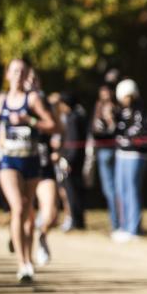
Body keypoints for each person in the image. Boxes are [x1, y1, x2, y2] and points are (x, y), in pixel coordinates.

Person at [0, 57, 57, 281]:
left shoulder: (32, 100)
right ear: (7, 75)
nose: (19, 75)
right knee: (18, 207)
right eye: (15, 71)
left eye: (22, 71)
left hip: (30, 160)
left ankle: (28, 260)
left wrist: (29, 120)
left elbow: (52, 125)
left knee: (29, 214)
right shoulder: (0, 100)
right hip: (9, 162)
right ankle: (21, 263)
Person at [25, 71, 60, 266]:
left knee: (51, 213)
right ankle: (26, 262)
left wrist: (58, 148)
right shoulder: (13, 103)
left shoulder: (46, 104)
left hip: (44, 165)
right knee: (25, 215)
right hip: (21, 166)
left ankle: (42, 237)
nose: (30, 82)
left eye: (34, 79)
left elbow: (58, 130)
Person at [112, 78, 147, 240]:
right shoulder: (121, 112)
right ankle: (124, 225)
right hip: (121, 153)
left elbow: (138, 132)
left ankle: (133, 228)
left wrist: (125, 137)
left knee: (132, 190)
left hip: (136, 155)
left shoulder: (140, 111)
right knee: (121, 190)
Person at [55, 92, 87, 231]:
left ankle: (76, 220)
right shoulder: (74, 117)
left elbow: (73, 142)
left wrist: (68, 160)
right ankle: (77, 219)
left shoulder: (73, 119)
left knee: (72, 192)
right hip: (73, 159)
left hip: (71, 161)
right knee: (73, 191)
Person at [90, 82, 119, 231]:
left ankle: (118, 223)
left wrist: (110, 120)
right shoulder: (98, 108)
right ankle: (115, 222)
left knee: (115, 189)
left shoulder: (116, 108)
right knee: (109, 189)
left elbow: (117, 131)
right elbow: (94, 131)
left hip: (114, 150)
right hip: (102, 150)